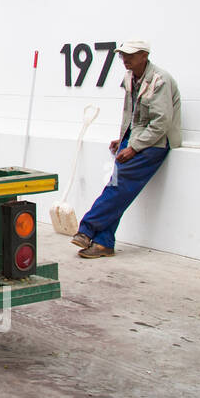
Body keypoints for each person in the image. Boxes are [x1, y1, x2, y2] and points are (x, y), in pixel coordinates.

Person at [71, 40, 181, 259]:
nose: (125, 59)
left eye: (130, 55)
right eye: (122, 55)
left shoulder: (160, 80)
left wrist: (134, 147)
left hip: (156, 143)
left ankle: (87, 228)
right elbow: (131, 114)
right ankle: (103, 243)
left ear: (144, 56)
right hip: (136, 137)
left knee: (118, 188)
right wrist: (122, 139)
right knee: (118, 189)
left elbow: (161, 123)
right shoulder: (130, 76)